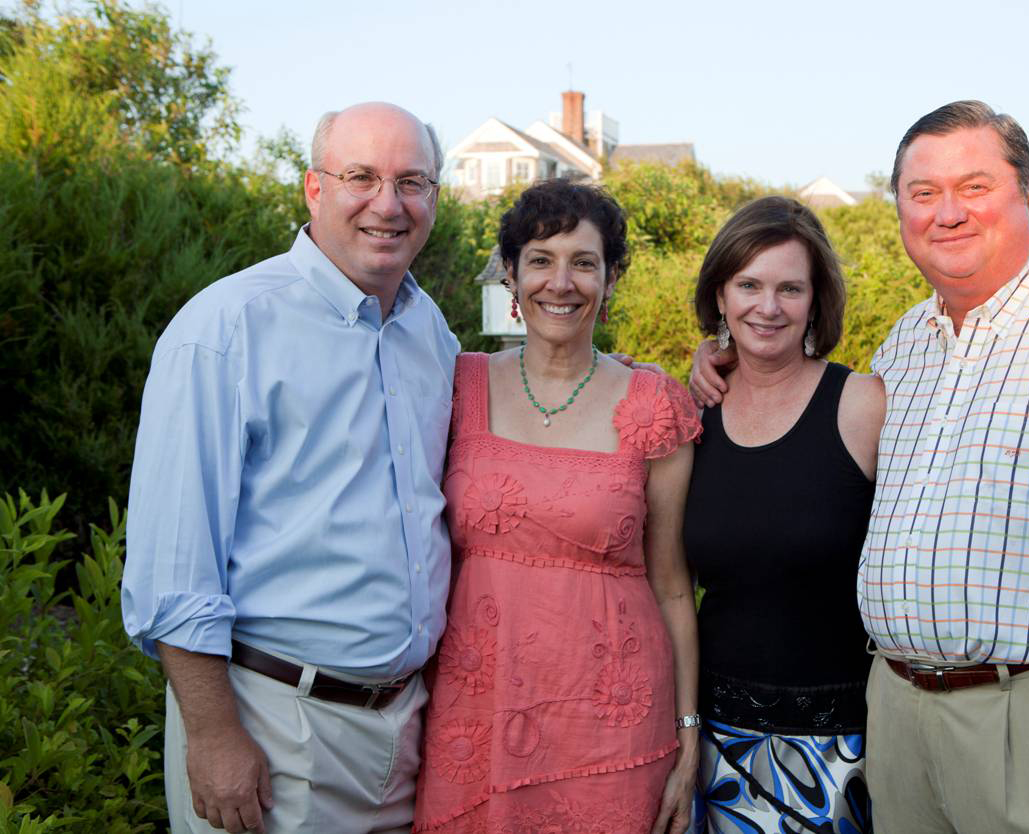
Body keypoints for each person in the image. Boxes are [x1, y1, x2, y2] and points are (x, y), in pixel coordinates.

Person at [691, 100, 1029, 834]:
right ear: (900, 210)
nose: (947, 213)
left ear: (1027, 194)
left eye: (974, 187)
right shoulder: (903, 348)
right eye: (923, 193)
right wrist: (722, 359)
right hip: (896, 719)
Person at [122, 102, 458, 834]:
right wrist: (214, 735)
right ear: (313, 188)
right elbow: (172, 567)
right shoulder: (226, 328)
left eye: (411, 182)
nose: (388, 205)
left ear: (434, 196)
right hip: (271, 726)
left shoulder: (429, 331)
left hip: (406, 730)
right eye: (361, 177)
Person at [410, 179, 701, 833]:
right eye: (540, 260)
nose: (560, 283)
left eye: (584, 262)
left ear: (611, 277)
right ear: (511, 276)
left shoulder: (653, 404)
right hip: (474, 717)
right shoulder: (459, 384)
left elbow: (673, 587)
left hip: (613, 728)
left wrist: (688, 733)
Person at [682, 197, 884, 834]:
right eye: (749, 285)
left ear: (815, 301)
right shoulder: (691, 412)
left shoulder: (863, 405)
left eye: (790, 288)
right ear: (720, 295)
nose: (767, 307)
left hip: (842, 751)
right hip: (716, 746)